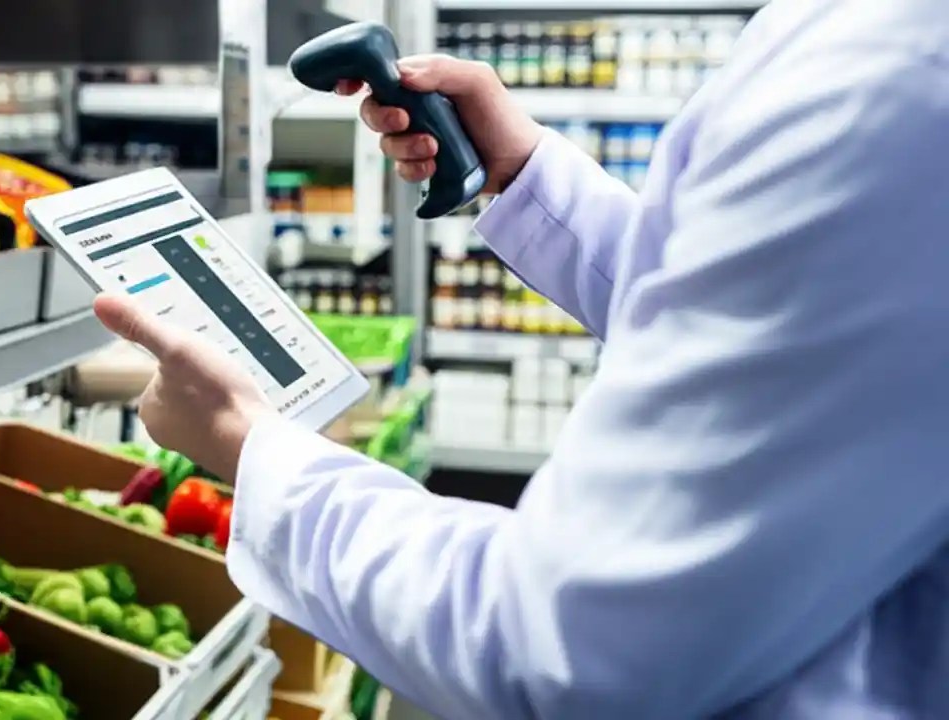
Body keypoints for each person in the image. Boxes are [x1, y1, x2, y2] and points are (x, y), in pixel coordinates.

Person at [93, 1, 949, 717]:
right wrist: (529, 174)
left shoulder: (890, 80)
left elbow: (572, 648)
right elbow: (765, 330)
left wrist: (251, 445)